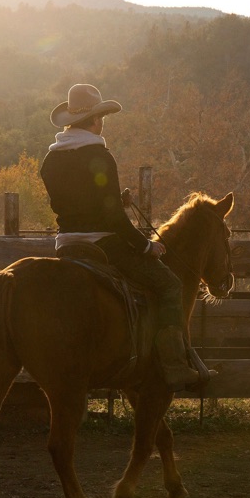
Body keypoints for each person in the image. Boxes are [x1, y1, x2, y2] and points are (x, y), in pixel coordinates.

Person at [40, 83, 202, 390]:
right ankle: (174, 365)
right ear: (95, 119)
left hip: (67, 245)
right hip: (104, 244)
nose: (102, 123)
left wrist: (115, 200)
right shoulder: (99, 155)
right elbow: (112, 219)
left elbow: (79, 202)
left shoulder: (51, 160)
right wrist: (145, 245)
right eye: (101, 117)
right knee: (170, 285)